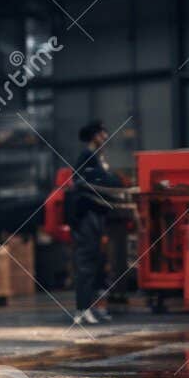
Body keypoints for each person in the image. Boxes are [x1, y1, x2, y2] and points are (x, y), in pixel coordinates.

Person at [67, 121, 123, 326]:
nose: (105, 138)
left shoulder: (97, 158)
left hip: (96, 217)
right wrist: (109, 180)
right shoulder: (87, 156)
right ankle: (81, 310)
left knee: (97, 263)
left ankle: (92, 307)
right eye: (102, 134)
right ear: (94, 136)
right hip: (87, 217)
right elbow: (89, 181)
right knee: (86, 263)